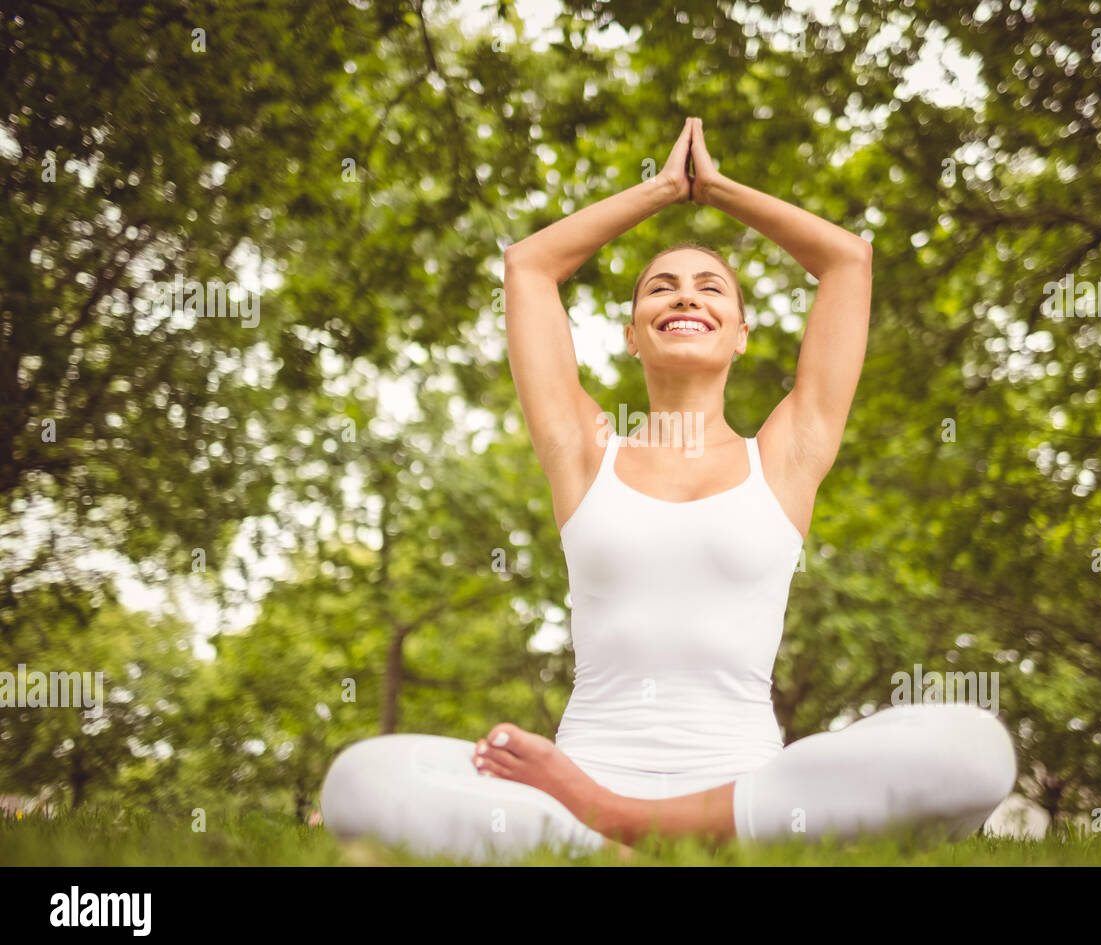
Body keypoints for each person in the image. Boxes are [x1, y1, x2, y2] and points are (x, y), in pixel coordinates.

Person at [320, 118, 1017, 863]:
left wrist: (715, 190)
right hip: (578, 775)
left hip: (741, 785)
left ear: (742, 332)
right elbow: (528, 266)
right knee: (359, 779)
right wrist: (660, 190)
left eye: (711, 287)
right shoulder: (583, 453)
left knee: (976, 746)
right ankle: (637, 837)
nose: (687, 297)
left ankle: (614, 832)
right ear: (632, 333)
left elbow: (848, 262)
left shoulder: (784, 456)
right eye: (662, 286)